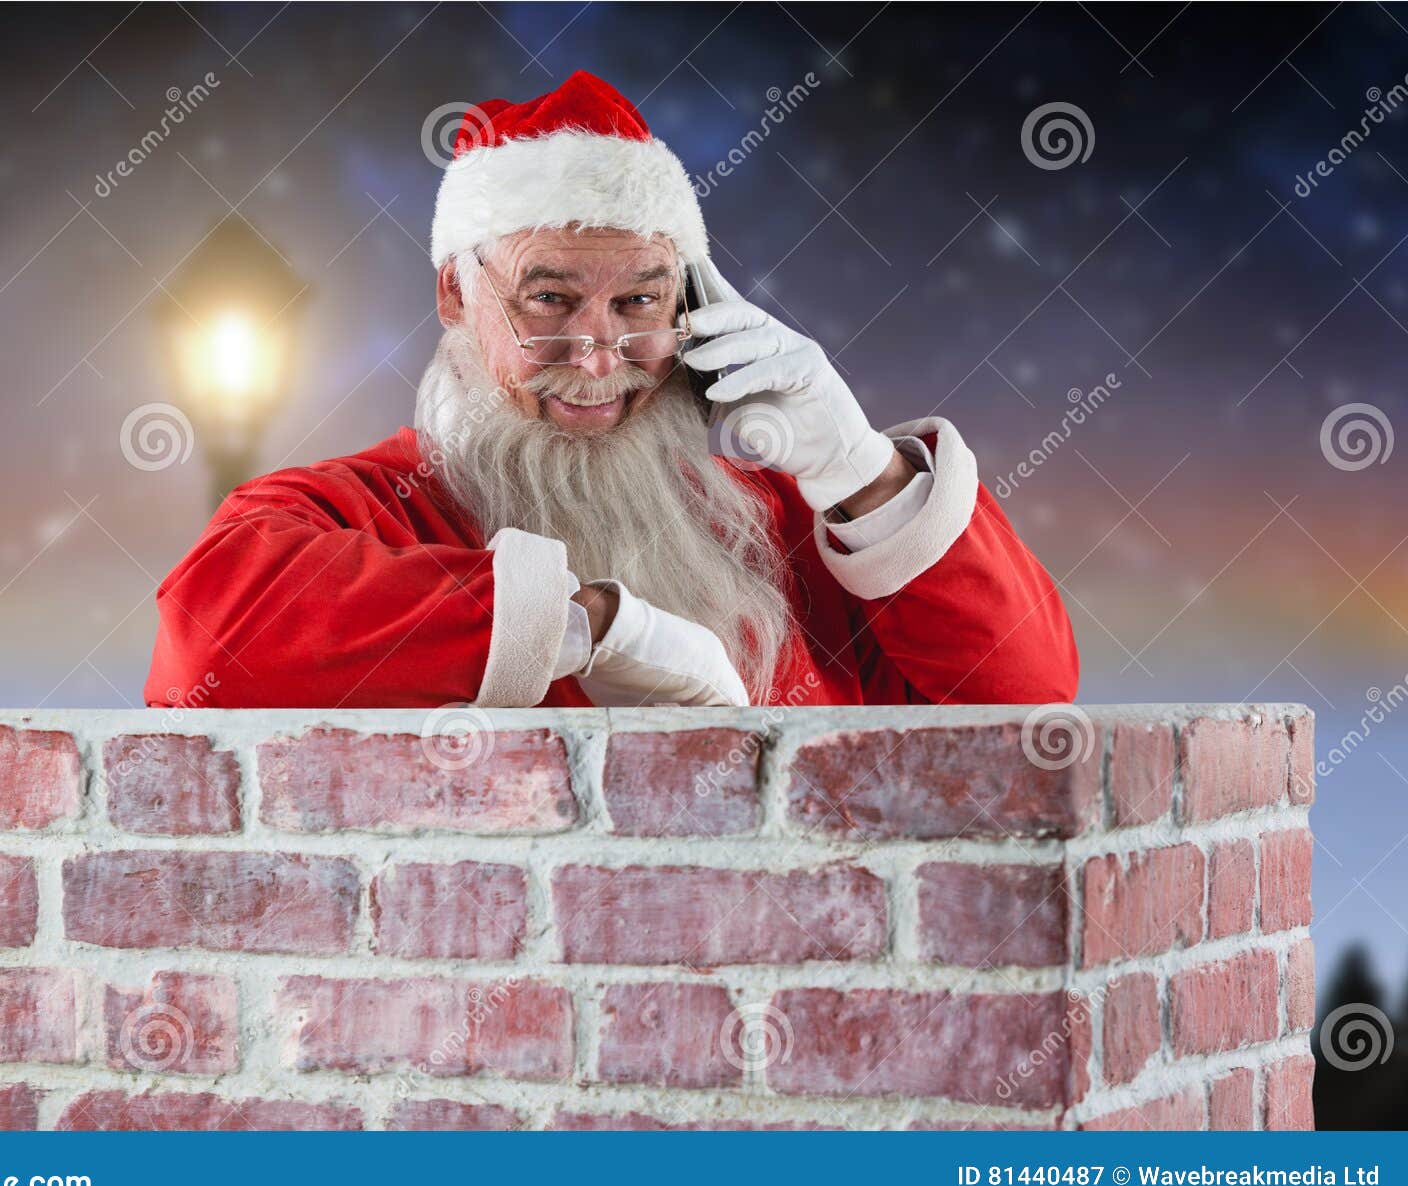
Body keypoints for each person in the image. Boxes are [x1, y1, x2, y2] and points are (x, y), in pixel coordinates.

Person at [144, 71, 1077, 709]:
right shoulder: (370, 511)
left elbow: (1028, 697)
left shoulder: (784, 528)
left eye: (639, 301)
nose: (597, 361)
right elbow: (211, 638)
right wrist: (590, 625)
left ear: (694, 302)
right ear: (455, 295)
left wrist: (863, 470)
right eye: (549, 300)